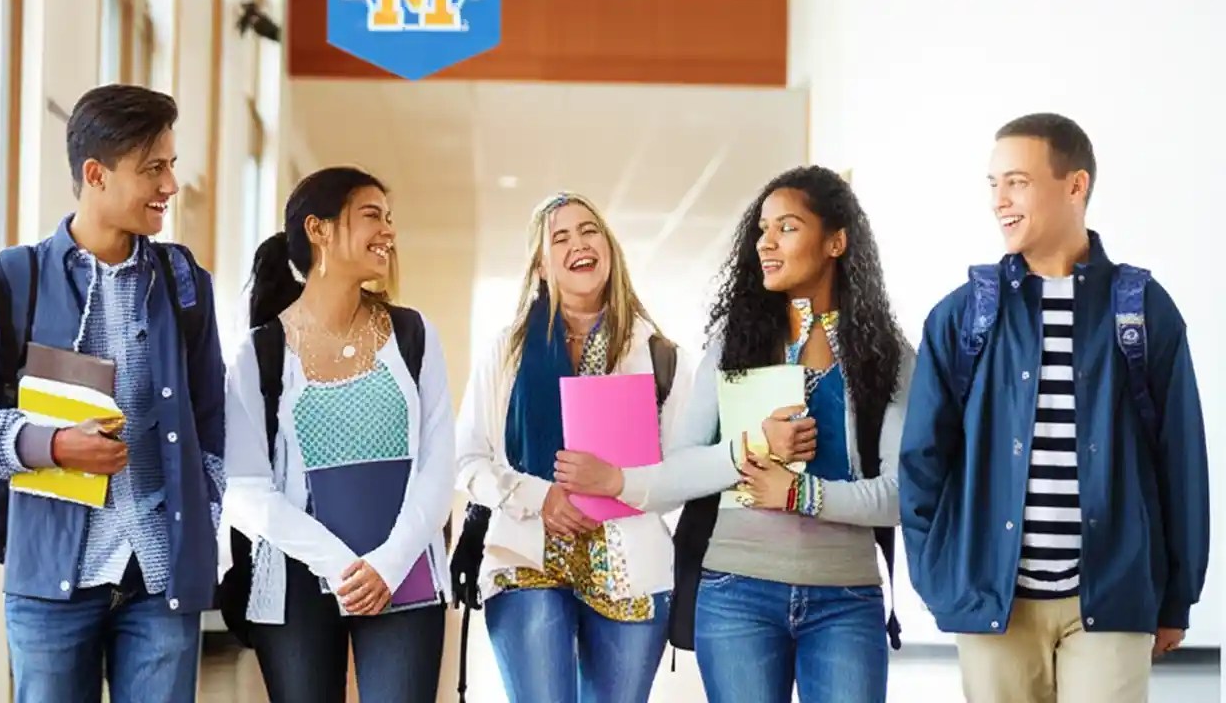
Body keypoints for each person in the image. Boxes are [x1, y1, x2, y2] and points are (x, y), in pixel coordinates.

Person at [554, 166, 913, 703]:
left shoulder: (890, 357)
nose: (765, 243)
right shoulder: (733, 344)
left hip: (846, 599)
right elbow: (681, 466)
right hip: (735, 594)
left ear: (836, 241)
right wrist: (752, 449)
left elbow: (900, 496)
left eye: (786, 228)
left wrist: (801, 494)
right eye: (762, 229)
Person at [898, 113, 1210, 703]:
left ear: (1075, 185)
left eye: (1016, 181)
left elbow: (1182, 464)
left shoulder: (1143, 310)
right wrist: (941, 580)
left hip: (1112, 597)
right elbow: (920, 466)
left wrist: (1176, 596)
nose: (999, 200)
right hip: (994, 605)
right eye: (992, 184)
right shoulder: (963, 316)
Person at [0, 84, 225, 701]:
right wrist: (53, 445)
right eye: (154, 168)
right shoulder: (9, 279)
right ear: (95, 174)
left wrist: (203, 518)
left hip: (161, 577)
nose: (170, 186)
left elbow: (213, 426)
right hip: (50, 582)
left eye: (172, 165)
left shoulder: (185, 285)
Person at [221, 166, 454, 703]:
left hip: (404, 571)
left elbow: (439, 465)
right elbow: (245, 486)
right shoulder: (259, 352)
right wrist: (342, 566)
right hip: (298, 579)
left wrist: (388, 563)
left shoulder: (414, 336)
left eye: (390, 219)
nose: (388, 231)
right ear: (318, 230)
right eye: (372, 215)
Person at [453, 191, 696, 703]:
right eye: (559, 237)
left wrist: (619, 482)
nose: (579, 244)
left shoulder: (658, 355)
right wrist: (540, 496)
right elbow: (468, 457)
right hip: (526, 555)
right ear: (541, 266)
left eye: (589, 231)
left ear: (609, 247)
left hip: (630, 571)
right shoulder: (508, 349)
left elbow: (683, 475)